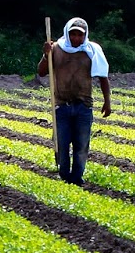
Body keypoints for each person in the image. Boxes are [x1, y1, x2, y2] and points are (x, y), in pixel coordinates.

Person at [36, 17, 111, 184]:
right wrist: (45, 54)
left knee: (81, 145)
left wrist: (107, 101)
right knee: (62, 144)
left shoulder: (92, 50)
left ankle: (77, 178)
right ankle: (63, 175)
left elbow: (103, 77)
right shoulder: (56, 48)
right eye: (73, 34)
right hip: (62, 105)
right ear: (67, 33)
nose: (76, 38)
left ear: (85, 36)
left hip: (83, 105)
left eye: (80, 35)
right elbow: (41, 72)